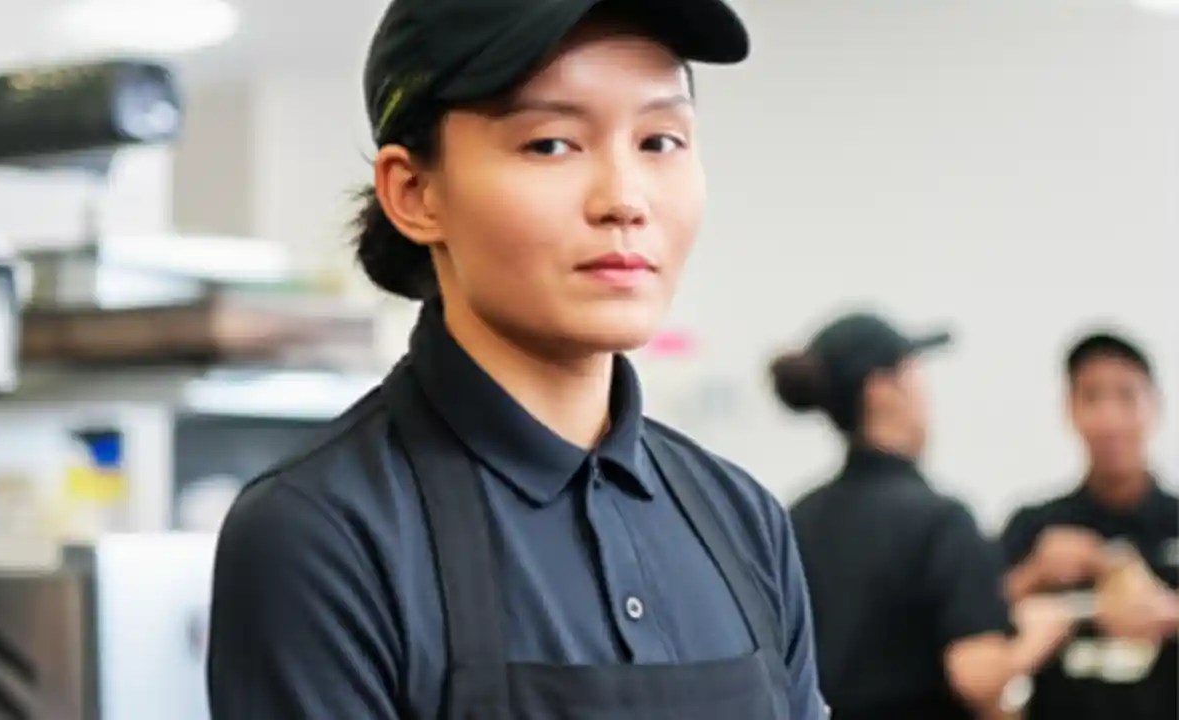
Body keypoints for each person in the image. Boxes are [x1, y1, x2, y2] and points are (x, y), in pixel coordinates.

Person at [206, 0, 829, 718]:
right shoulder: (323, 532)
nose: (625, 200)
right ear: (415, 193)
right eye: (552, 144)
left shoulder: (744, 518)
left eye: (660, 141)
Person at [775, 313, 1074, 720]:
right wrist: (1039, 636)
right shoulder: (941, 521)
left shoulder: (793, 522)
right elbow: (975, 673)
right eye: (913, 373)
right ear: (883, 389)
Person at [1001, 331, 1179, 720]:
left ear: (1155, 406)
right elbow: (973, 631)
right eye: (1092, 398)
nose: (1110, 419)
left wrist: (1166, 614)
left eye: (1126, 397)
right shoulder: (1036, 526)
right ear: (1070, 410)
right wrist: (1033, 575)